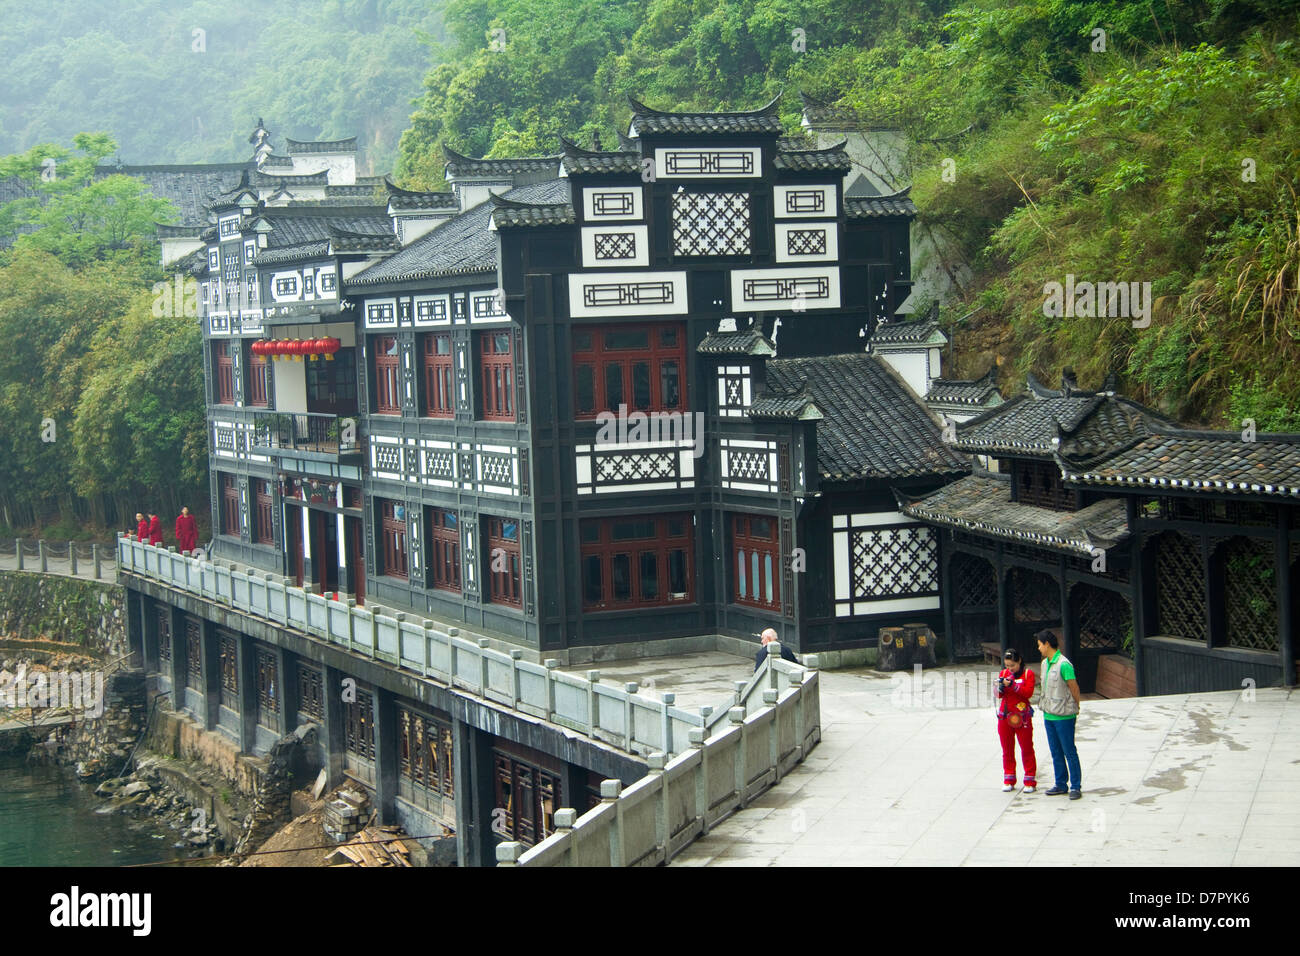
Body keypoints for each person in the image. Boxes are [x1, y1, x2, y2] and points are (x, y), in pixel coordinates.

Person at [1035, 629, 1082, 799]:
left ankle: (1075, 786)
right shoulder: (1044, 664)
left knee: (1069, 750)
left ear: (1047, 644)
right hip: (1049, 715)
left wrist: (1075, 706)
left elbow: (1074, 687)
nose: (1039, 648)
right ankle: (1060, 783)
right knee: (1055, 751)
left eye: (1040, 645)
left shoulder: (1064, 664)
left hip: (1064, 716)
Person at [995, 648, 1036, 792]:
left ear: (1019, 661)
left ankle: (1030, 779)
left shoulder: (1028, 674)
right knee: (1007, 749)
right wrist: (999, 687)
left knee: (1026, 748)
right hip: (1005, 717)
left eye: (1012, 665)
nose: (1009, 669)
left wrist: (1013, 685)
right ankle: (1009, 779)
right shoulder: (1004, 674)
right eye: (1007, 666)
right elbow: (998, 696)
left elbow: (1028, 693)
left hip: (1022, 717)